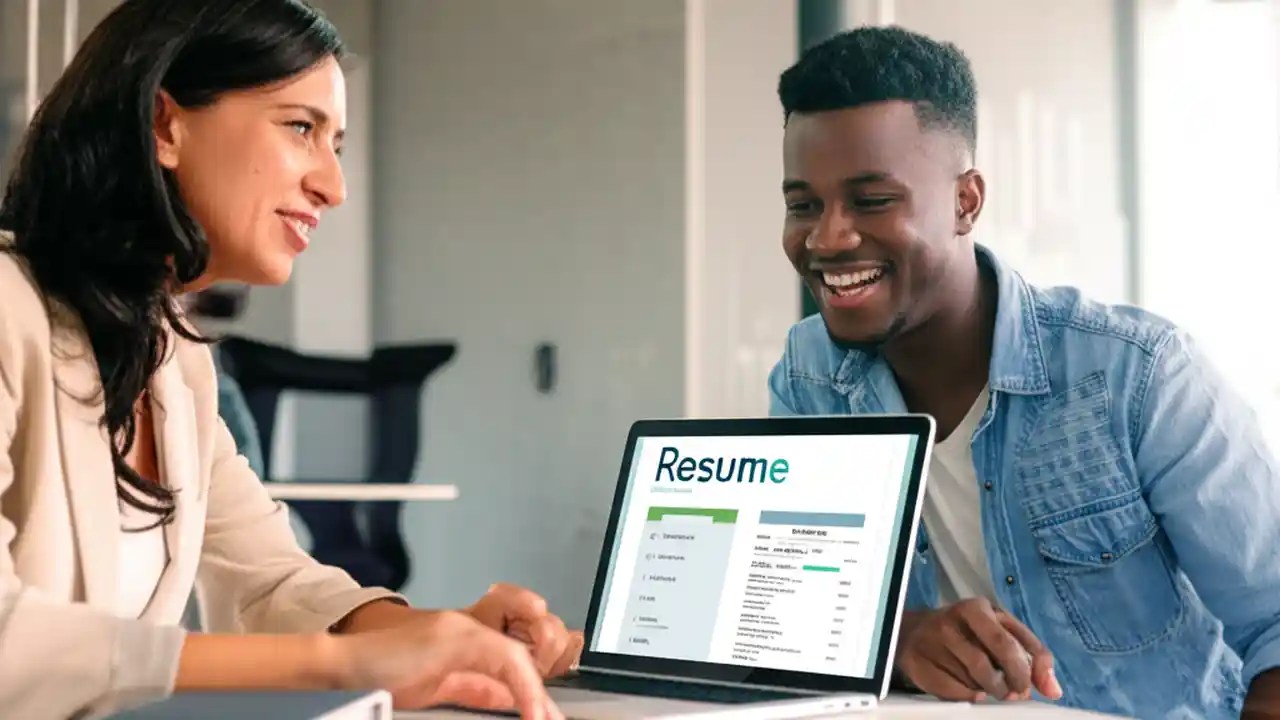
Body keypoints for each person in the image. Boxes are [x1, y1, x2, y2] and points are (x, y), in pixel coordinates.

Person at [0, 2, 577, 718]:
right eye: (301, 128)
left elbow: (269, 580)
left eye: (336, 144)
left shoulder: (173, 363)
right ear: (163, 125)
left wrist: (445, 637)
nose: (333, 187)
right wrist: (342, 666)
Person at [768, 26, 1280, 720]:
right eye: (803, 205)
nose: (827, 238)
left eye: (872, 201)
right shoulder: (809, 378)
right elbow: (791, 614)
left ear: (966, 202)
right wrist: (903, 639)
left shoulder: (1138, 376)